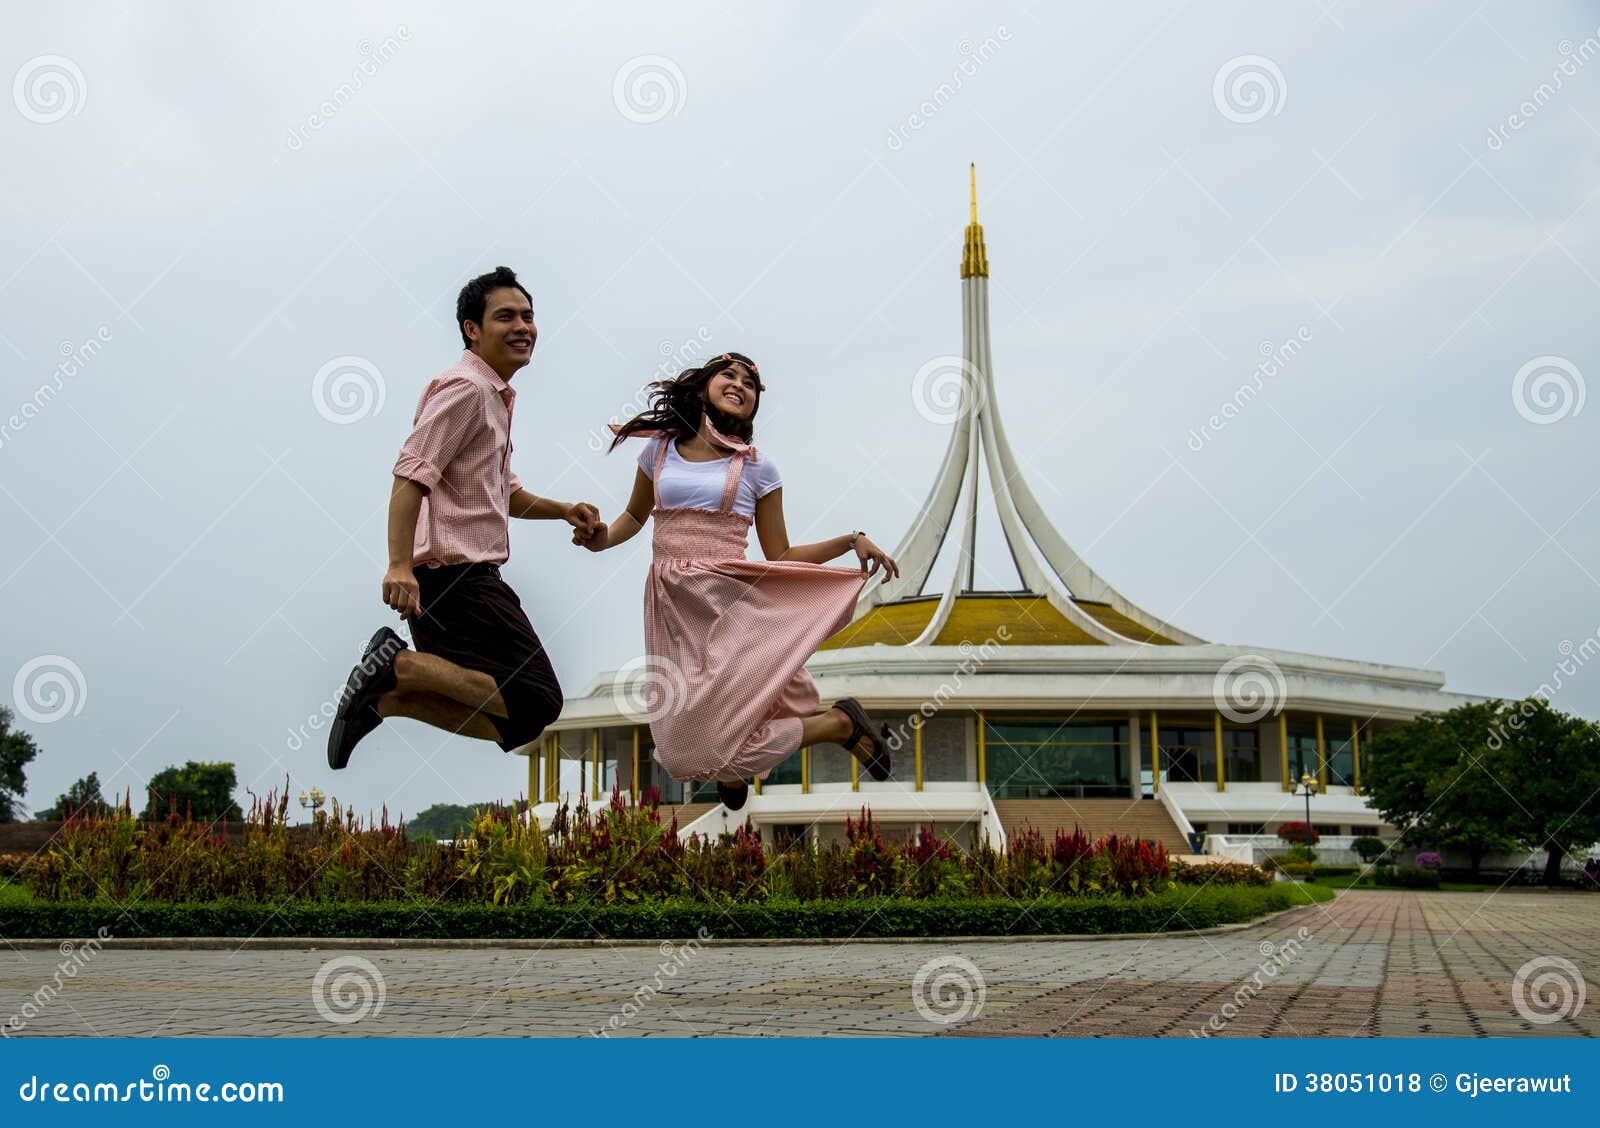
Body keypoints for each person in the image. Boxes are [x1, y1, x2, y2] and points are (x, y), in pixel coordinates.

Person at [579, 351, 898, 810]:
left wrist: (850, 540)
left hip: (727, 600)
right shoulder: (659, 451)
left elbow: (781, 554)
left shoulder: (756, 468)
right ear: (703, 386)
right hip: (672, 603)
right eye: (728, 375)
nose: (739, 385)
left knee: (695, 744)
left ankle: (835, 726)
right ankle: (737, 767)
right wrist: (601, 539)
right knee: (678, 732)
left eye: (749, 384)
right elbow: (632, 516)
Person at [326, 266, 601, 769]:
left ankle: (385, 699)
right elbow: (411, 474)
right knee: (536, 699)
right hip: (453, 579)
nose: (522, 327)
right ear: (472, 329)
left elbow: (503, 493)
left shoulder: (493, 397)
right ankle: (397, 664)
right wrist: (398, 565)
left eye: (528, 316)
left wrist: (563, 511)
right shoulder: (467, 390)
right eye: (505, 317)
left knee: (522, 722)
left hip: (463, 578)